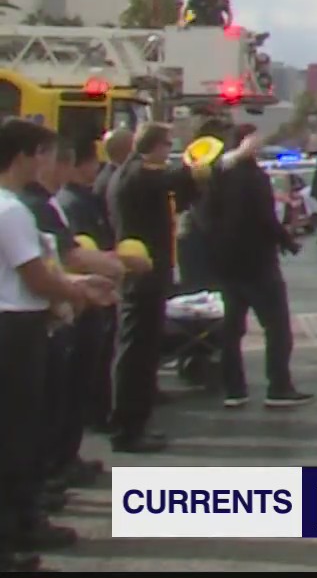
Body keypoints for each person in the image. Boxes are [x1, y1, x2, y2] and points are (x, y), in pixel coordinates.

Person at [0, 118, 118, 569]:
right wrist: (80, 291)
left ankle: (19, 523)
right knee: (17, 434)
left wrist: (75, 282)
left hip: (17, 324)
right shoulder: (12, 211)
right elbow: (35, 275)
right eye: (44, 153)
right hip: (17, 330)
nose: (49, 162)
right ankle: (15, 529)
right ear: (26, 156)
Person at [208, 125, 312, 408]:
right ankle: (278, 386)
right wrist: (287, 241)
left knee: (232, 328)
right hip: (258, 262)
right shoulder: (254, 178)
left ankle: (234, 389)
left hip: (227, 263)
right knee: (276, 326)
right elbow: (265, 218)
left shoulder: (218, 175)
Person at [109, 121, 176, 454]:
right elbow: (179, 180)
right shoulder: (138, 174)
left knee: (140, 350)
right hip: (142, 275)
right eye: (167, 144)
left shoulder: (128, 173)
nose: (169, 152)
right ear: (155, 146)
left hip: (142, 274)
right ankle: (128, 428)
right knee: (136, 352)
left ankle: (134, 423)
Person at [57, 142, 120, 448]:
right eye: (92, 162)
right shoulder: (70, 202)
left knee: (97, 361)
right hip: (82, 297)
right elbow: (75, 253)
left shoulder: (84, 197)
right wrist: (110, 264)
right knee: (75, 379)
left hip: (94, 291)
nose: (96, 167)